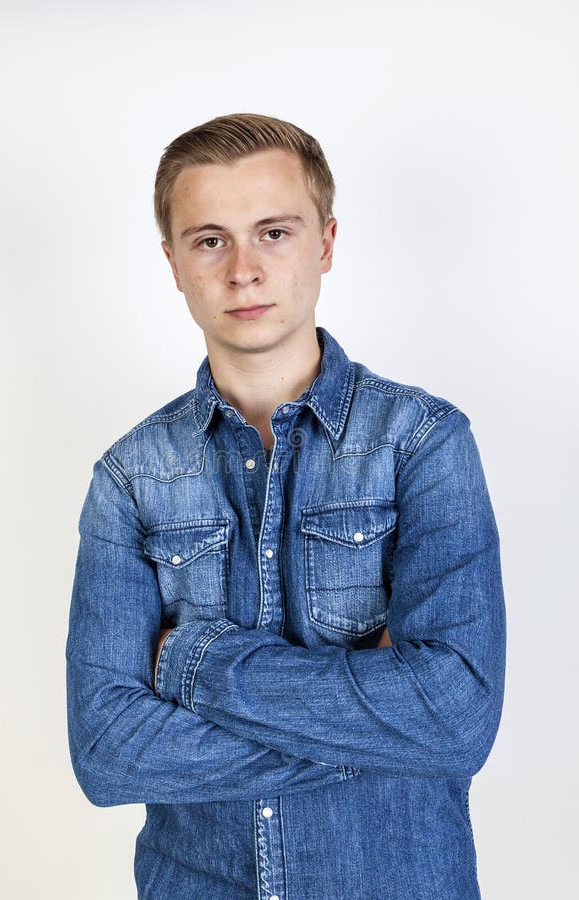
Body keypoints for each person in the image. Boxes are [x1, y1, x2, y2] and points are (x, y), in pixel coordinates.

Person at [65, 113, 506, 899]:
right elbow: (107, 754)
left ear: (326, 243)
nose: (243, 270)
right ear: (172, 263)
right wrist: (376, 726)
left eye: (273, 232)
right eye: (209, 240)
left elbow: (455, 720)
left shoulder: (422, 444)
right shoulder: (130, 476)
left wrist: (192, 663)